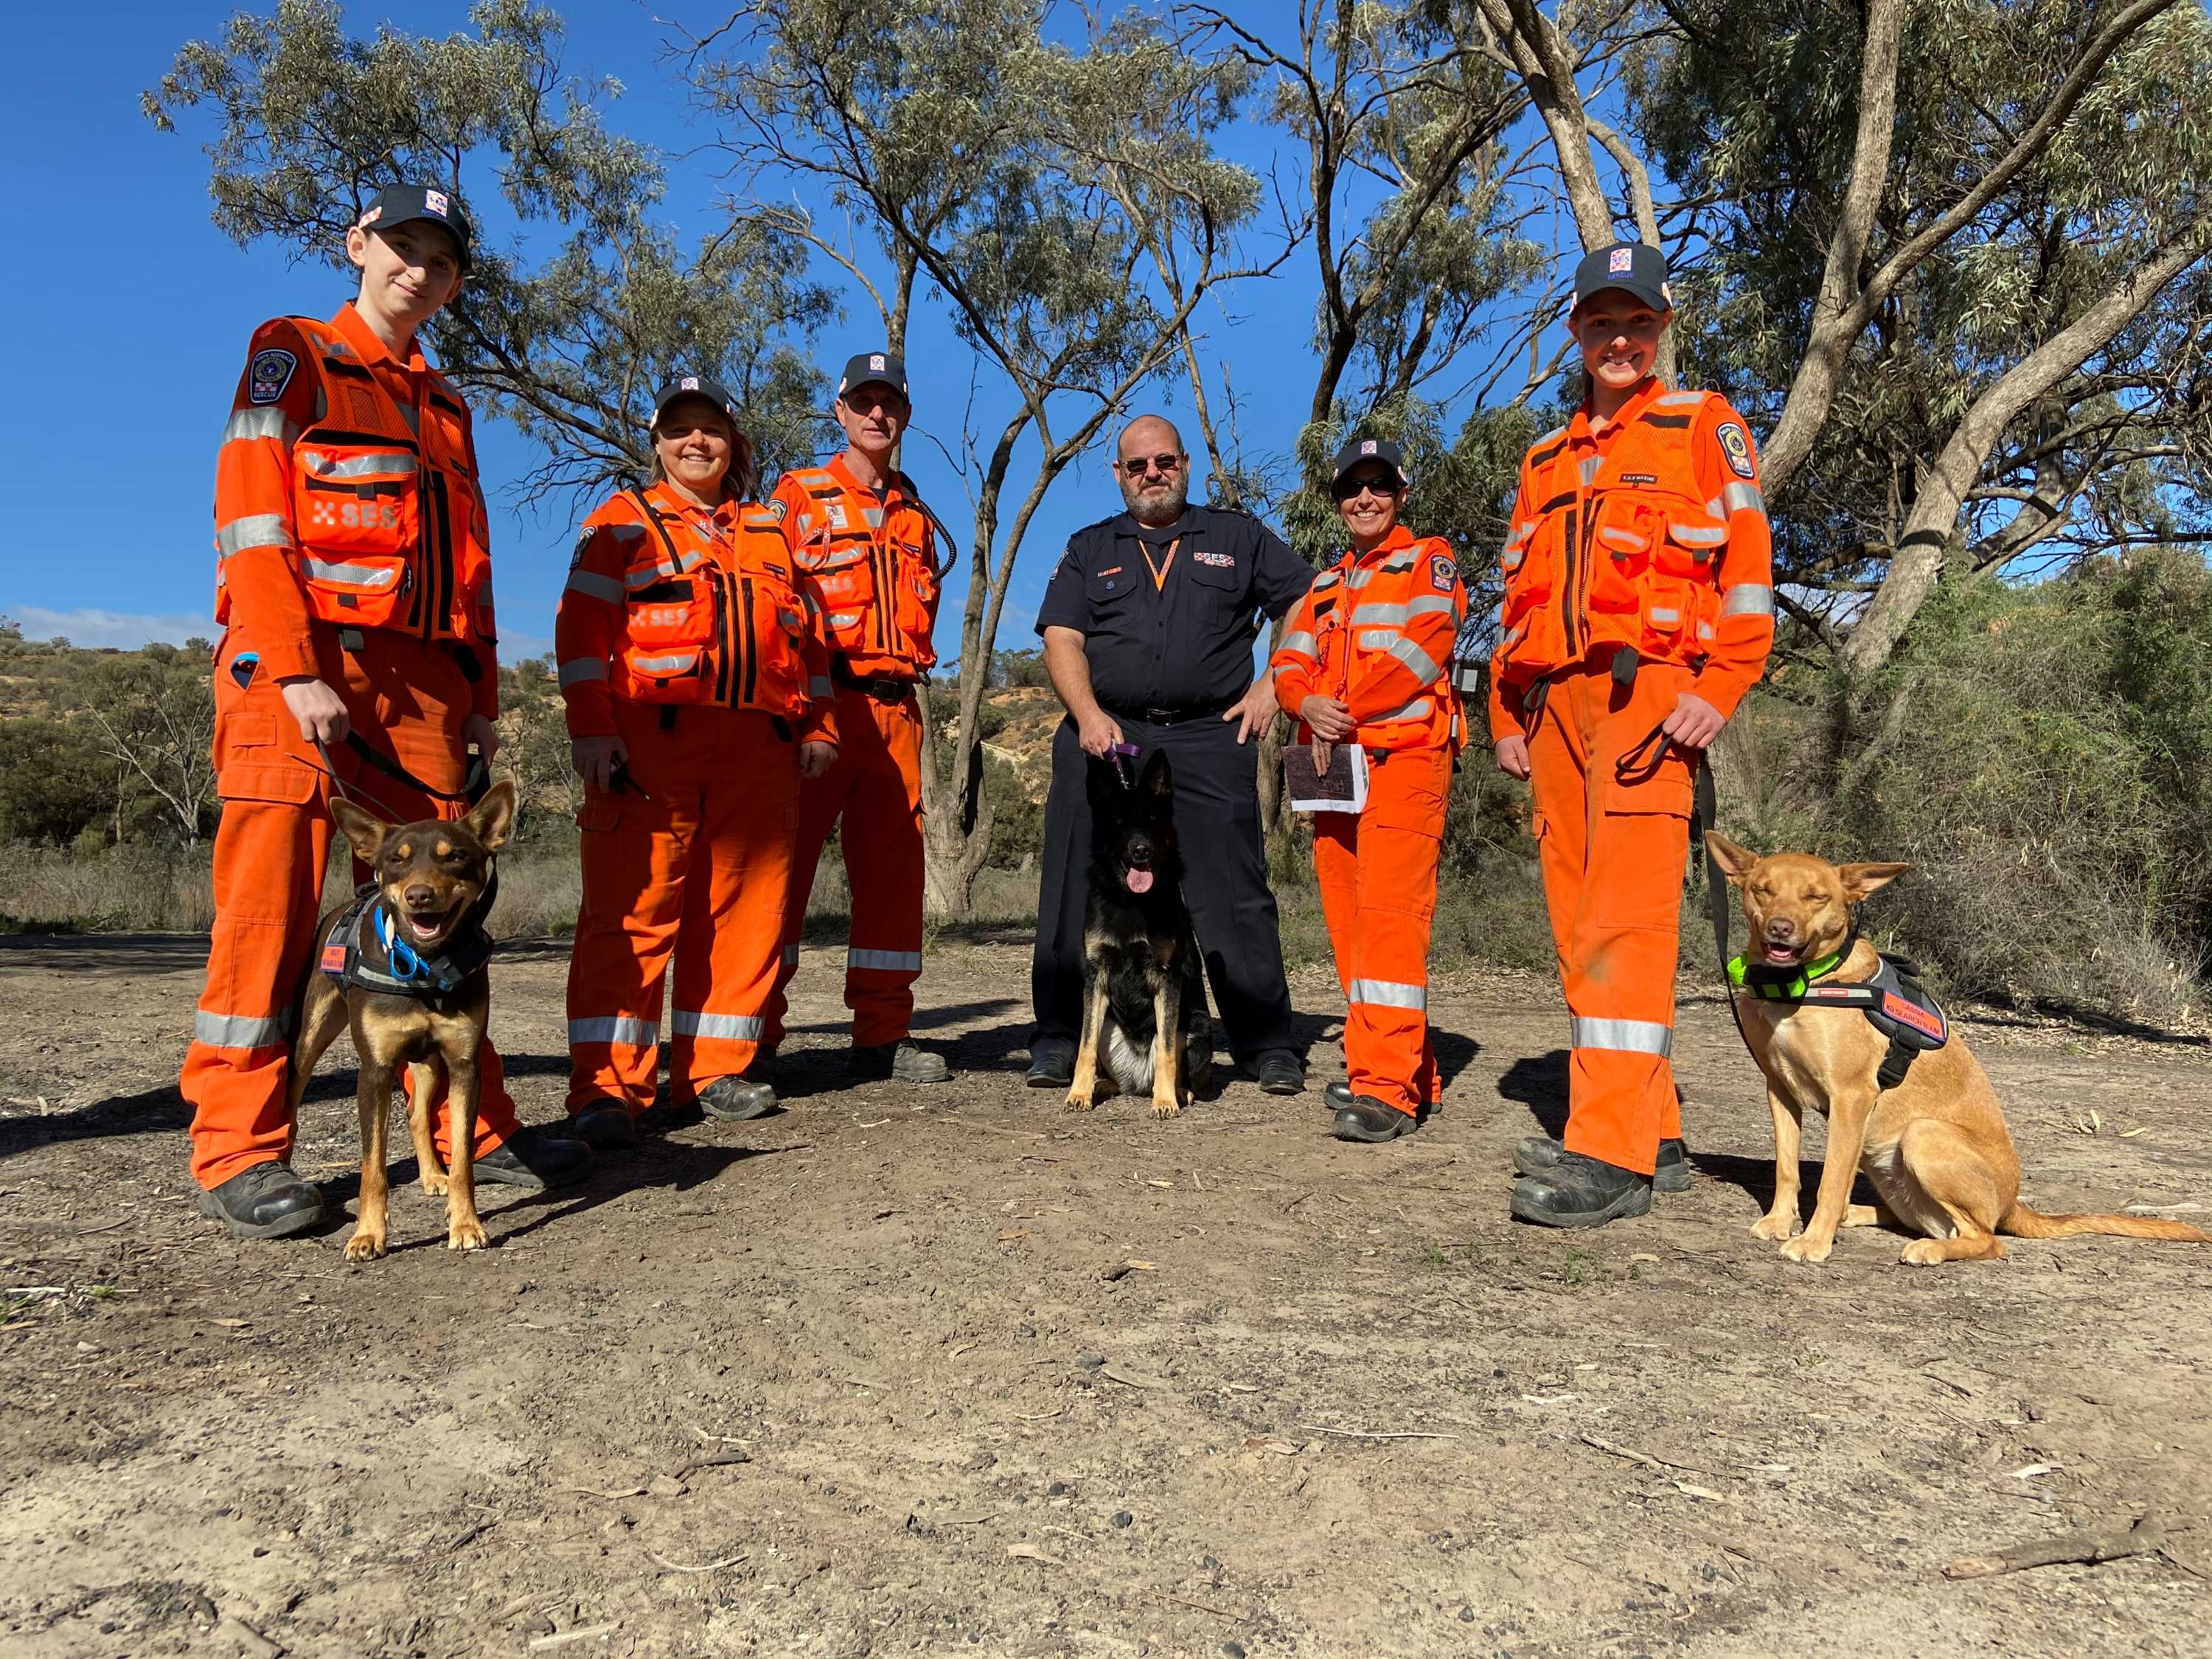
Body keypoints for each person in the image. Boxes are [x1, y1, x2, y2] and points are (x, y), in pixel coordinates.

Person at [183, 184, 591, 1238]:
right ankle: (241, 1145)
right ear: (359, 246)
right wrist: (289, 662)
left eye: (441, 261)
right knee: (271, 920)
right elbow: (251, 512)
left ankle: (473, 1129)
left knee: (449, 907)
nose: (419, 270)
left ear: (455, 284)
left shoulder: (446, 405)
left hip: (425, 691)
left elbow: (476, 571)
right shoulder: (295, 356)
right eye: (402, 247)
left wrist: (485, 699)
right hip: (304, 671)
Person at [1491, 241, 1775, 1227]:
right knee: (1578, 924)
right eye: (1602, 323)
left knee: (1627, 920)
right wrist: (1507, 709)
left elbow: (1745, 568)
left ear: (1662, 331)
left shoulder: (1705, 426)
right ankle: (1649, 1127)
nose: (1620, 339)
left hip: (1649, 696)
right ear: (1575, 332)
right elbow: (1515, 596)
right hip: (1557, 711)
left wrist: (1723, 681)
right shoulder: (1544, 461)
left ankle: (1609, 1155)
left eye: (1638, 323)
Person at [554, 378, 839, 1144]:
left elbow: (809, 645)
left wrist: (821, 727)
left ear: (732, 442)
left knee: (746, 913)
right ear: (657, 443)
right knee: (631, 913)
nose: (696, 442)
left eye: (710, 429)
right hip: (651, 741)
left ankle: (715, 1070)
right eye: (679, 429)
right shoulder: (622, 521)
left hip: (761, 748)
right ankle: (608, 1089)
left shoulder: (773, 532)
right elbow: (580, 632)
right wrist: (592, 727)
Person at [1027, 414, 1313, 1095]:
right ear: (1119, 475)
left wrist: (1276, 680)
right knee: (1075, 878)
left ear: (1185, 464)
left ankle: (1266, 1041)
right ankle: (1062, 1040)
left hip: (1211, 732)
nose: (1152, 474)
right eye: (1137, 466)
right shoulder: (1090, 547)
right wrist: (1088, 715)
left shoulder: (1236, 536)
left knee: (1233, 885)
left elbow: (1304, 596)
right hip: (1109, 732)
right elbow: (1062, 636)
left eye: (1164, 462)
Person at [761, 352, 950, 1085]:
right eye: (863, 402)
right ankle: (754, 1035)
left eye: (890, 404)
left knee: (894, 879)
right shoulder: (798, 495)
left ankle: (882, 1031)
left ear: (904, 416)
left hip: (897, 708)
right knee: (782, 873)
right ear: (838, 412)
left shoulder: (916, 513)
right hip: (819, 707)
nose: (878, 415)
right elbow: (771, 605)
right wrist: (798, 709)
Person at [1270, 437, 1465, 1143]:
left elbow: (1425, 647)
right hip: (1333, 767)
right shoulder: (1323, 585)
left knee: (1389, 919)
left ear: (1401, 496)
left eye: (1380, 485)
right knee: (1350, 923)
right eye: (1353, 487)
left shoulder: (1429, 561)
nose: (1366, 498)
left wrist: (1338, 706)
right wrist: (1304, 704)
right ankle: (1403, 1069)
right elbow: (1290, 661)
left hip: (1406, 762)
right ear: (1338, 501)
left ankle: (1385, 1090)